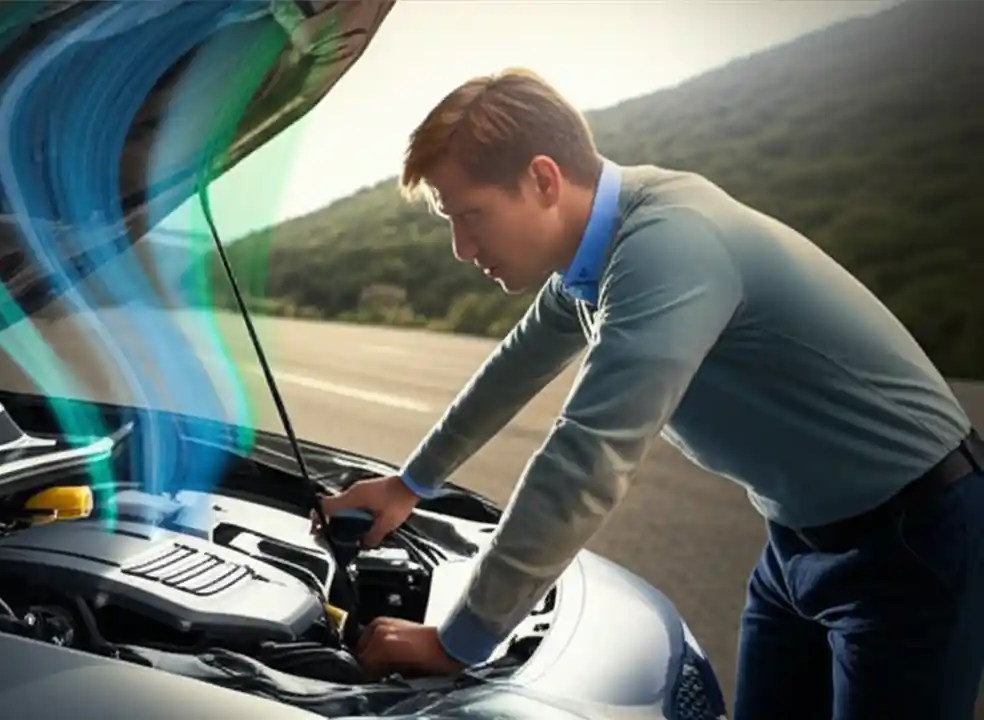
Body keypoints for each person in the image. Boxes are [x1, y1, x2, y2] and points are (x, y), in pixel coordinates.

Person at [318, 67, 983, 719]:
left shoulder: (668, 243)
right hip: (796, 540)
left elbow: (586, 457)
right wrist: (407, 486)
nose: (462, 248)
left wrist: (458, 643)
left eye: (471, 215)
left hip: (915, 540)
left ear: (543, 179)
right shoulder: (592, 259)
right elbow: (508, 374)